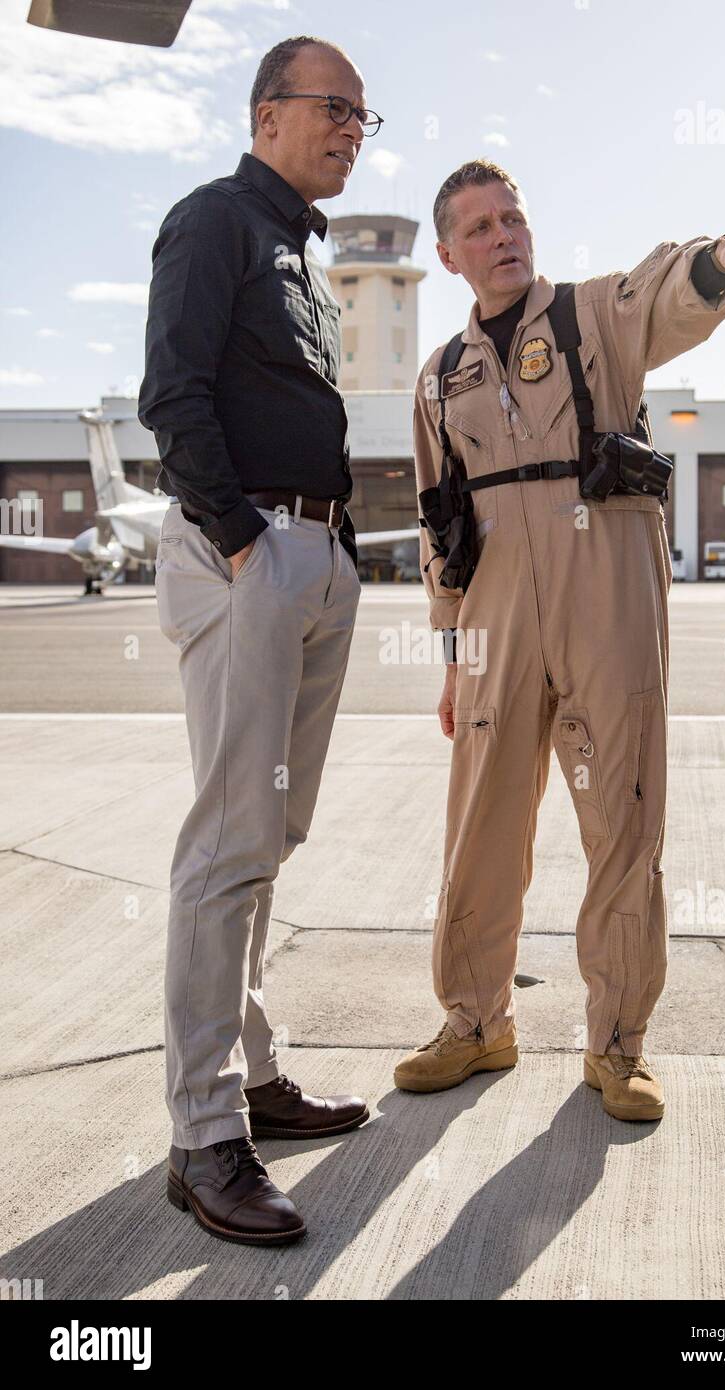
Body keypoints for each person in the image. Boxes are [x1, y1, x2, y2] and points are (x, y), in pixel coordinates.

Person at [396, 158, 725, 1122]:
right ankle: (475, 1023)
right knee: (480, 826)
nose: (504, 237)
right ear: (451, 257)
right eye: (481, 228)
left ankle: (618, 1046)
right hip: (495, 616)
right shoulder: (439, 378)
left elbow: (666, 291)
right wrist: (451, 655)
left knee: (622, 820)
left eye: (513, 218)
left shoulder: (590, 318)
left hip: (606, 599)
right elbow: (435, 528)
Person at [138, 35, 383, 1245]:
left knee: (270, 833)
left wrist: (329, 556)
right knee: (229, 840)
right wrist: (241, 537)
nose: (350, 127)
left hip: (316, 559)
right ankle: (201, 1135)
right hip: (252, 557)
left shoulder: (299, 249)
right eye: (333, 108)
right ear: (266, 111)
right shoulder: (216, 221)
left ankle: (253, 1076)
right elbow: (170, 391)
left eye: (360, 115)